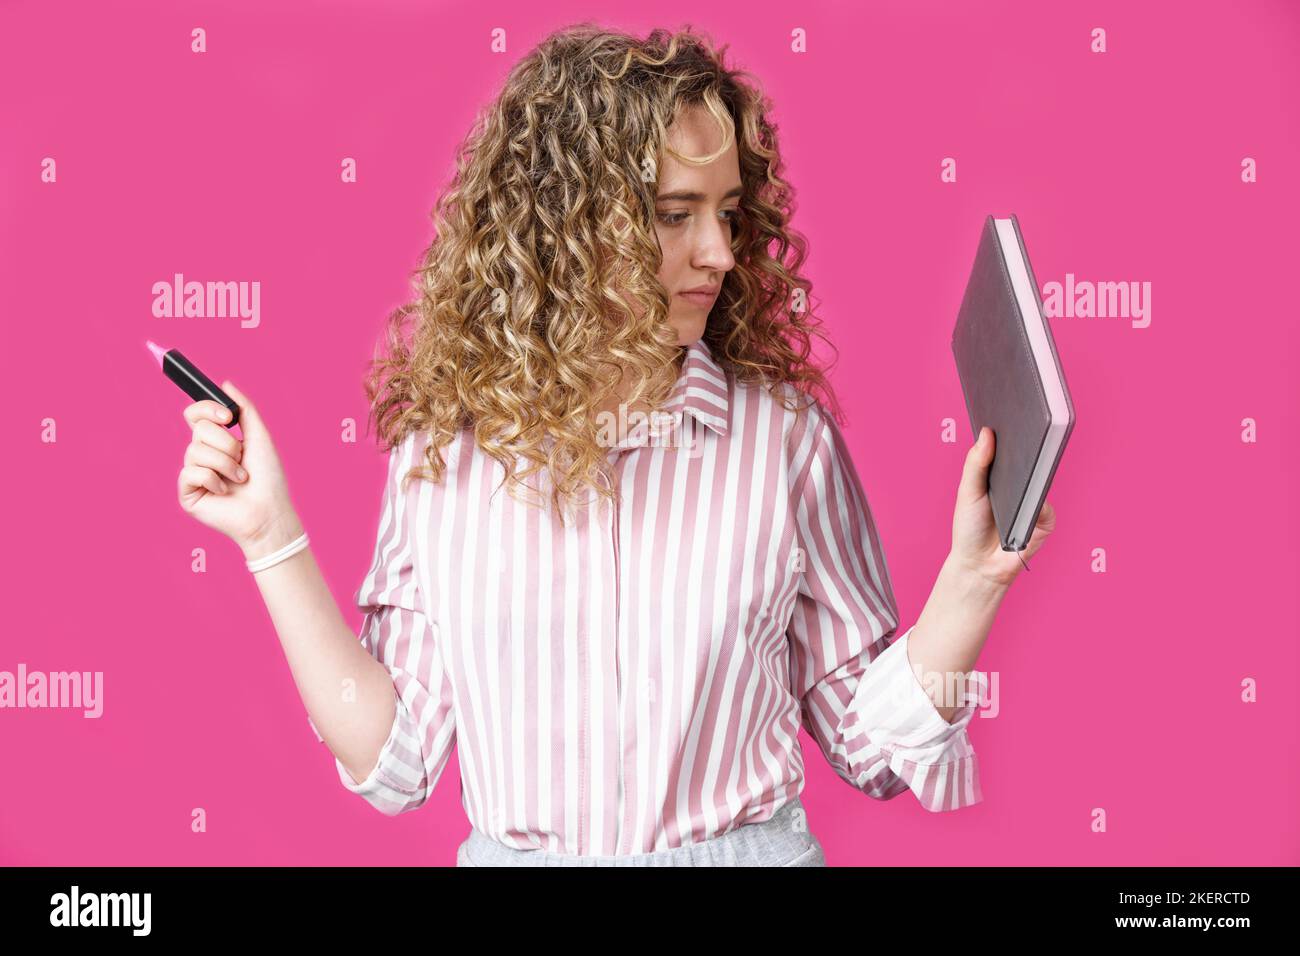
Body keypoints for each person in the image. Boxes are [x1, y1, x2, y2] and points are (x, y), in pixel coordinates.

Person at [175, 23, 1056, 867]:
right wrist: (270, 539)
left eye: (727, 214)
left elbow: (872, 752)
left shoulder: (786, 442)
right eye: (676, 214)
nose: (717, 252)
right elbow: (395, 763)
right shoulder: (443, 456)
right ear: (566, 229)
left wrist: (971, 582)